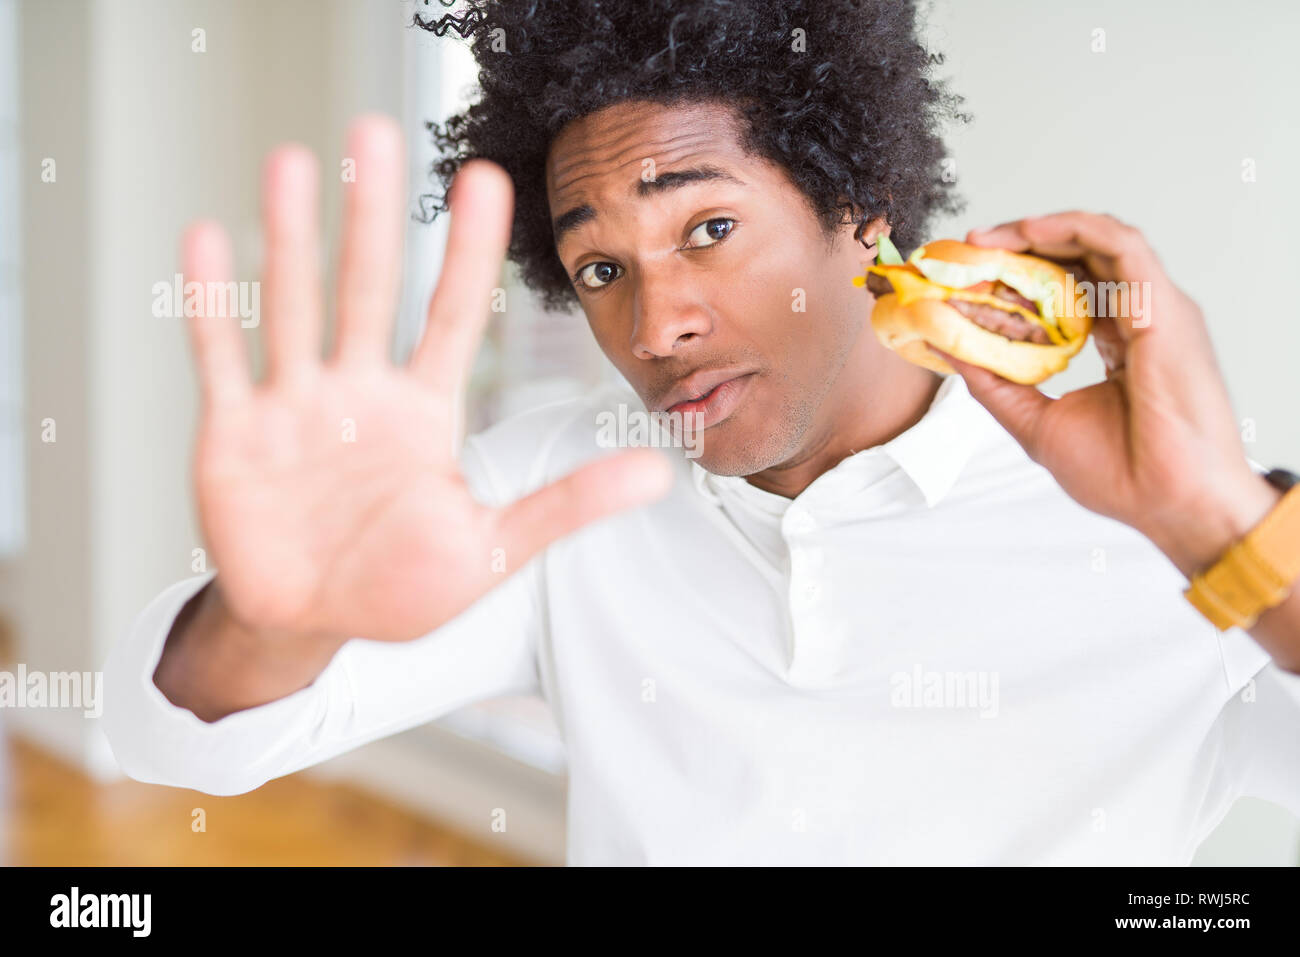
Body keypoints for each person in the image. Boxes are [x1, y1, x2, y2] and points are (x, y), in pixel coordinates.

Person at [102, 0, 1300, 865]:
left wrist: (1207, 523)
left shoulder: (1199, 546)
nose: (655, 321)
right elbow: (192, 749)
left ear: (859, 208)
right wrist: (274, 621)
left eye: (710, 231)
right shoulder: (561, 484)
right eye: (601, 266)